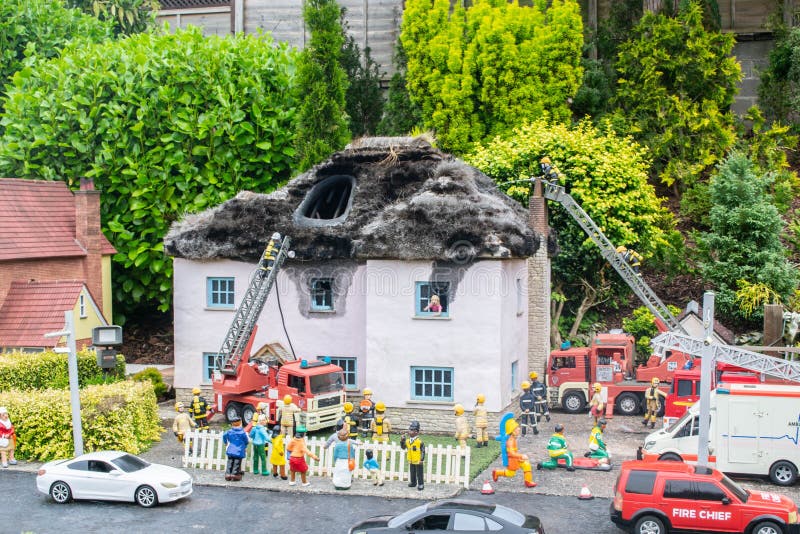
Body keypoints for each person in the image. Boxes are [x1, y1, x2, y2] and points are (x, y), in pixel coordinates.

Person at [492, 415, 536, 487]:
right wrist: (521, 455)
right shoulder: (510, 441)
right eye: (516, 428)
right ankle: (497, 472)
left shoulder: (513, 439)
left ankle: (528, 481)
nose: (519, 429)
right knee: (510, 473)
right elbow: (511, 453)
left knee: (526, 465)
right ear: (512, 431)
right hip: (512, 459)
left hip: (516, 458)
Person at [222, 415, 249, 481]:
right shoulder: (242, 432)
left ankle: (228, 474)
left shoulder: (229, 431)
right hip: (239, 450)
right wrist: (245, 445)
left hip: (231, 449)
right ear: (240, 423)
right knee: (237, 462)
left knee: (230, 461)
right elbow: (246, 441)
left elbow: (224, 436)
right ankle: (235, 474)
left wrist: (225, 442)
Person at [400, 421, 425, 490]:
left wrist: (421, 459)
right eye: (409, 429)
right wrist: (402, 441)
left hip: (418, 460)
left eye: (411, 430)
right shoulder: (407, 441)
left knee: (419, 473)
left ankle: (421, 484)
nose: (409, 431)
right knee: (412, 472)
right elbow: (403, 447)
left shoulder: (419, 442)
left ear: (416, 432)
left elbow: (423, 451)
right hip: (411, 460)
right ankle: (413, 482)